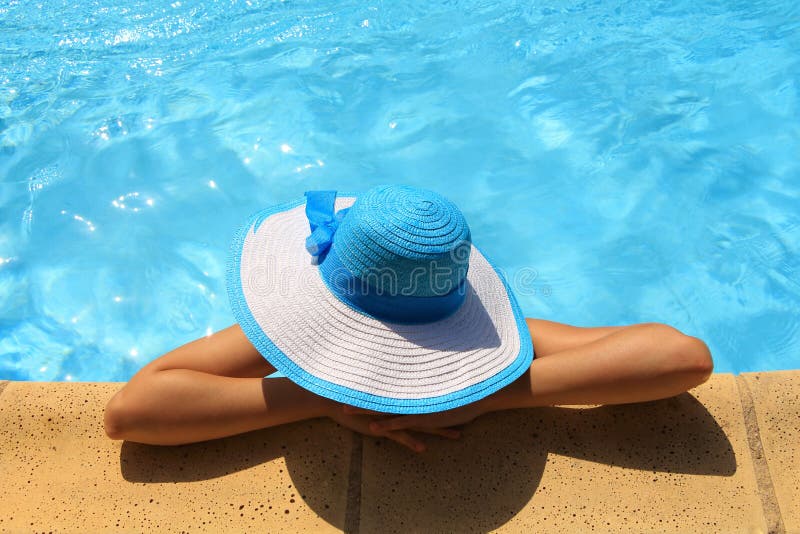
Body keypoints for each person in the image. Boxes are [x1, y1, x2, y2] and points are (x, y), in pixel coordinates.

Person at [104, 185, 713, 452]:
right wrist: (497, 391)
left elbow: (130, 411)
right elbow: (680, 354)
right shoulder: (481, 333)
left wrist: (314, 396)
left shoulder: (295, 325)